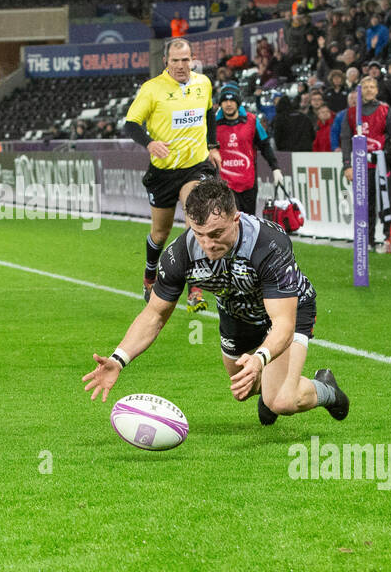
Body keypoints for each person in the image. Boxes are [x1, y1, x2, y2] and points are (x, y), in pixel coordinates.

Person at [81, 178, 348, 428]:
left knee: (282, 401)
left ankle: (326, 389)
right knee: (242, 388)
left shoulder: (268, 244)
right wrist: (118, 359)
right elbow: (154, 315)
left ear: (236, 218)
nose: (209, 244)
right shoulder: (180, 254)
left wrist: (260, 358)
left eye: (217, 233)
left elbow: (283, 323)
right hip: (236, 313)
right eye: (200, 234)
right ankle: (269, 388)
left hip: (288, 308)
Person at [124, 38, 221, 312]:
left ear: (193, 59)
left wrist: (212, 147)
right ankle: (149, 276)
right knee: (160, 233)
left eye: (186, 60)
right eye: (176, 60)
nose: (181, 65)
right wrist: (149, 143)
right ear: (166, 61)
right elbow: (131, 123)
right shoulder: (152, 89)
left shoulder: (203, 83)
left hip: (196, 166)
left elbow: (209, 114)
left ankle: (196, 289)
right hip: (164, 172)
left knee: (197, 221)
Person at [340, 77, 391, 247]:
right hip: (361, 167)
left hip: (382, 164)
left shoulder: (385, 111)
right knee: (365, 204)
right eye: (365, 87)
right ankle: (367, 240)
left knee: (387, 201)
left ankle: (389, 238)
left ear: (377, 90)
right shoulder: (351, 113)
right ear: (360, 91)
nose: (369, 90)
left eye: (372, 87)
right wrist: (346, 165)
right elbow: (345, 140)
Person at [213, 83, 283, 215]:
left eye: (232, 100)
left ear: (238, 102)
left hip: (248, 183)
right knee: (231, 221)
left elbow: (265, 145)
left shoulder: (252, 121)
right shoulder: (213, 125)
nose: (228, 104)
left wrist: (275, 168)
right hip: (224, 185)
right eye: (225, 101)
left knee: (248, 223)